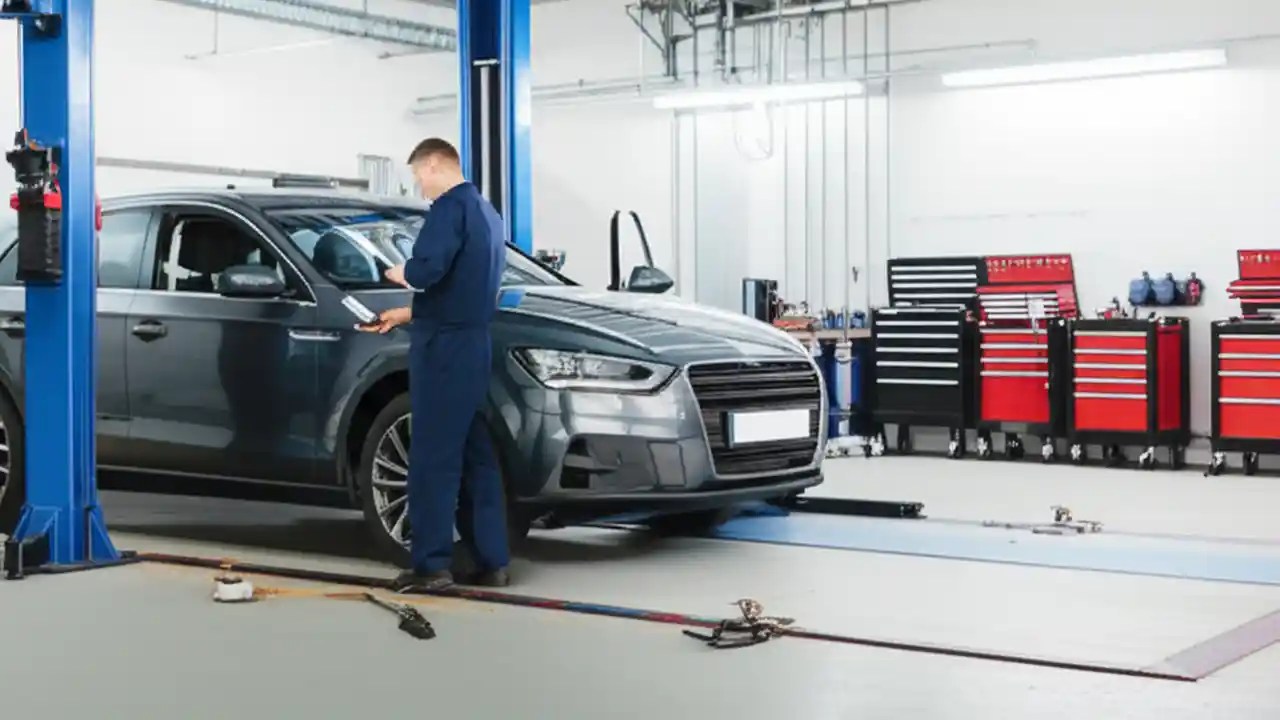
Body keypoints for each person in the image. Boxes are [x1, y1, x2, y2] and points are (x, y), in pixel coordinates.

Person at [362, 138, 510, 591]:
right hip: (471, 342)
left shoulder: (448, 209)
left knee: (431, 457)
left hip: (443, 349)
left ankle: (430, 565)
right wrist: (408, 313)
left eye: (418, 178)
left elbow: (427, 271)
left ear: (433, 165)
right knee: (474, 455)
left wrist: (398, 272)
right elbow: (462, 286)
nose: (420, 189)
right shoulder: (487, 213)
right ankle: (492, 560)